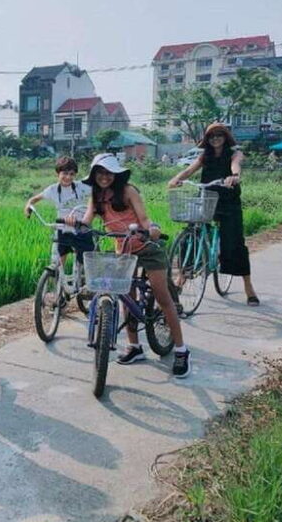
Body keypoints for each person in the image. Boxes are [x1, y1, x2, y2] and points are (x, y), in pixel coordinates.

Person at [70, 153, 191, 378]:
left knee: (163, 298)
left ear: (116, 174)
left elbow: (144, 220)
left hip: (147, 248)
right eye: (100, 173)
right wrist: (75, 223)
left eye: (108, 173)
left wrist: (152, 230)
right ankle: (134, 346)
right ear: (94, 175)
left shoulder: (128, 191)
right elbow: (87, 220)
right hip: (123, 251)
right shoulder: (96, 196)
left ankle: (181, 350)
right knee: (126, 298)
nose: (104, 177)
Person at [168, 122, 260, 306]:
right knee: (191, 235)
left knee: (235, 243)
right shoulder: (205, 156)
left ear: (225, 137)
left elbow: (236, 166)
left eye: (219, 135)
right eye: (211, 136)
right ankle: (181, 278)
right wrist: (176, 178)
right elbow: (189, 170)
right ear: (207, 139)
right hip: (207, 198)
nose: (215, 138)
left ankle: (248, 286)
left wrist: (234, 177)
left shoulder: (234, 153)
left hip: (228, 202)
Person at [24, 156, 94, 267]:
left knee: (84, 263)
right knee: (57, 263)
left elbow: (96, 193)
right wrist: (28, 206)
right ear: (58, 173)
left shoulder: (81, 187)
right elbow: (34, 199)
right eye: (65, 173)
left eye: (71, 174)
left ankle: (82, 276)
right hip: (62, 228)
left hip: (81, 228)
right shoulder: (52, 190)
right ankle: (57, 277)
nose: (68, 177)